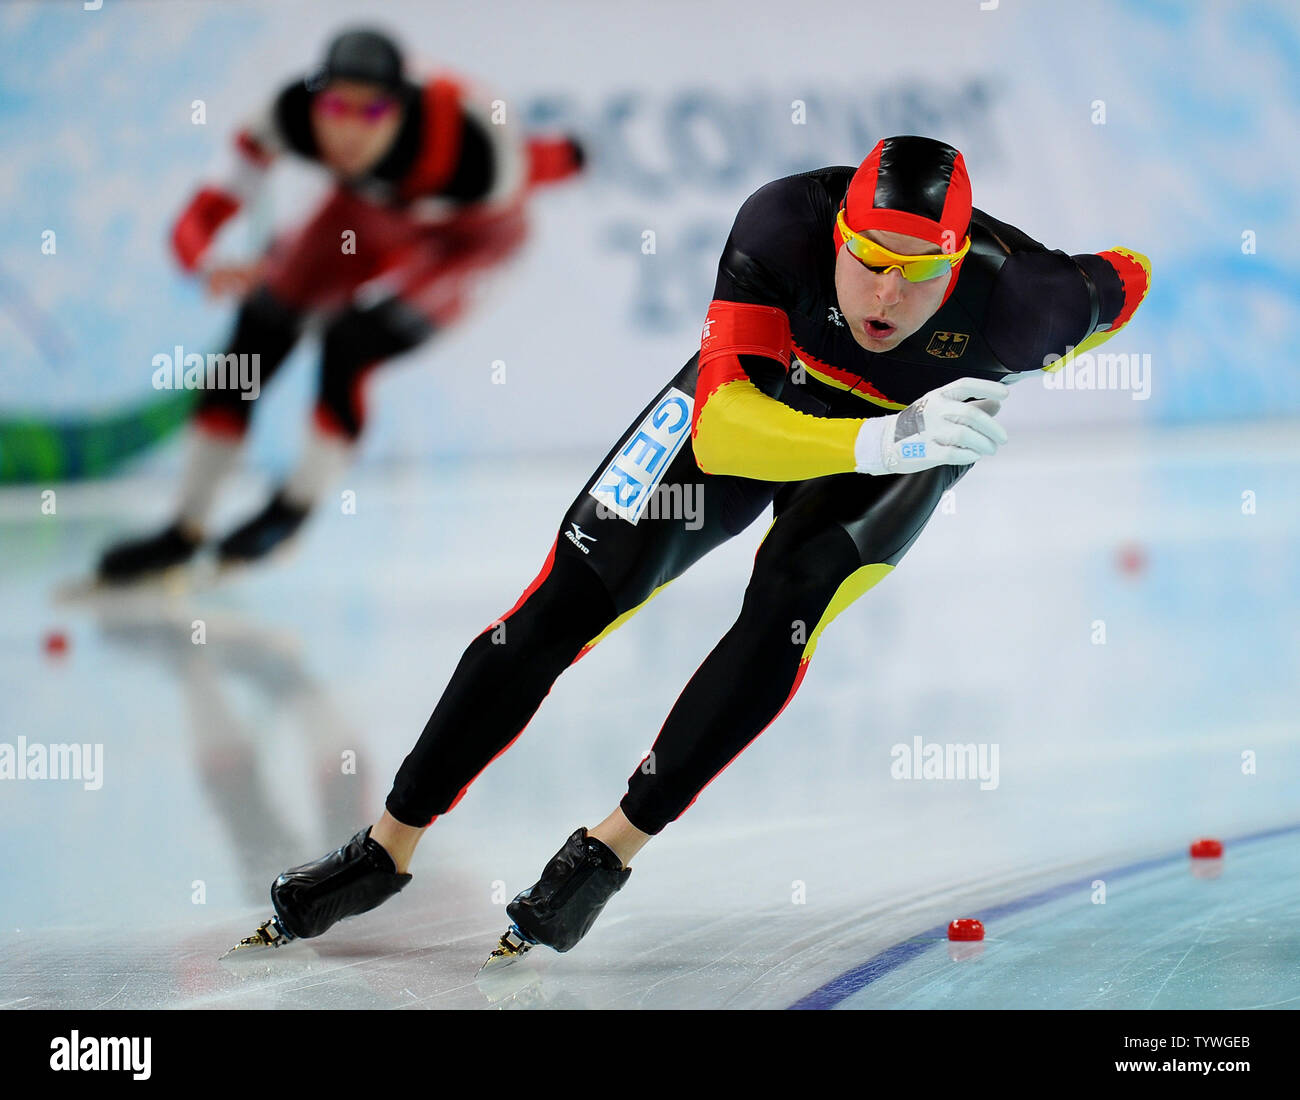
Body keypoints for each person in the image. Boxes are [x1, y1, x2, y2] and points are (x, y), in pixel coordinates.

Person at [235, 135, 1151, 963]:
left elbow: (1129, 276)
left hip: (901, 447)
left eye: (920, 274)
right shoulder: (782, 225)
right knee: (568, 597)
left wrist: (1048, 360)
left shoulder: (1029, 303)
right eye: (869, 261)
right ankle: (386, 847)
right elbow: (722, 436)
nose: (886, 295)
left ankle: (608, 850)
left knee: (790, 600)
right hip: (773, 410)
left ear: (959, 262)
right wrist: (886, 437)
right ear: (837, 233)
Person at [97, 27, 584, 582]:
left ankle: (291, 510)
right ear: (314, 98)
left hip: (467, 242)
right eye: (335, 106)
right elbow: (202, 214)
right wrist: (208, 262)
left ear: (405, 110)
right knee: (256, 333)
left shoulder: (477, 143)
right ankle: (184, 529)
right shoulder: (288, 114)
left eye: (373, 112)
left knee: (350, 345)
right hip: (364, 214)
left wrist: (572, 156)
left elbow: (536, 169)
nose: (348, 130)